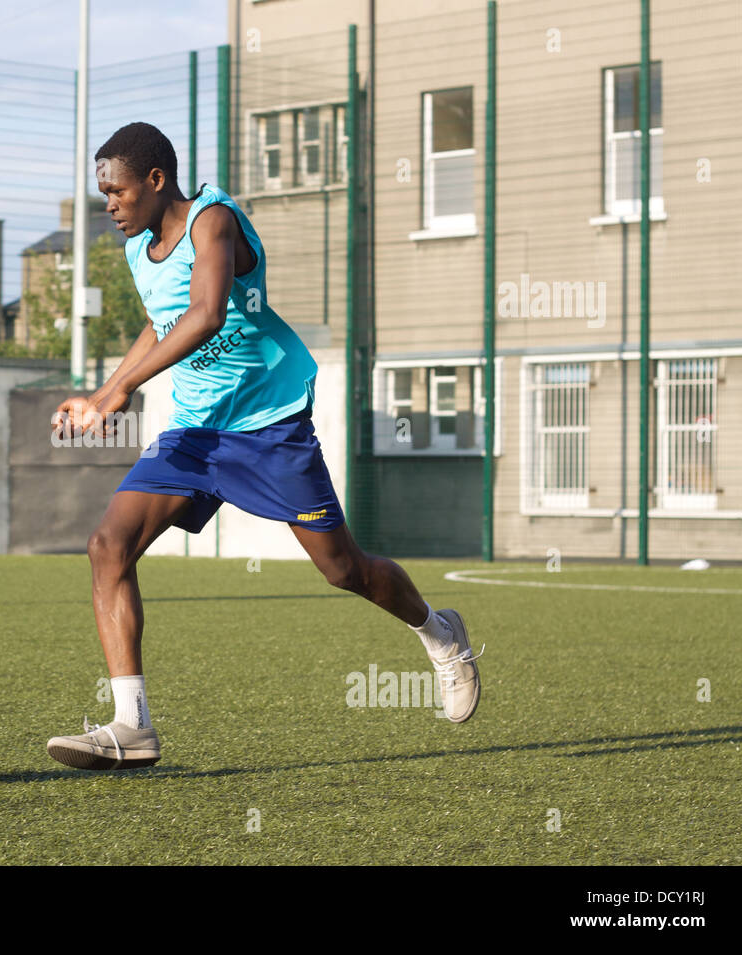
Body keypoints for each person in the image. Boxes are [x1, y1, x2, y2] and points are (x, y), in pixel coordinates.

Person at [46, 122, 481, 771]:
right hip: (194, 433)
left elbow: (207, 313)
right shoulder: (140, 246)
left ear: (156, 182)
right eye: (103, 192)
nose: (108, 204)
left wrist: (122, 391)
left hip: (267, 428)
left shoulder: (213, 221)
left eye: (116, 191)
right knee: (108, 546)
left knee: (345, 570)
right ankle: (132, 725)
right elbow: (162, 321)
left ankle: (440, 633)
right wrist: (107, 388)